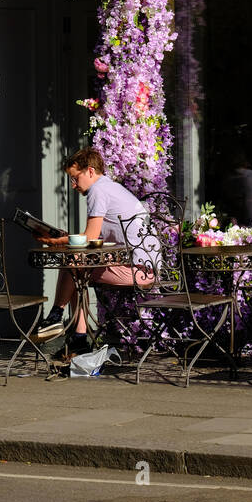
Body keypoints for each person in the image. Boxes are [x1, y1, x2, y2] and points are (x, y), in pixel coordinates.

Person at [33, 148, 155, 354]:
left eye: (75, 178)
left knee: (73, 263)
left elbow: (89, 238)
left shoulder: (98, 190)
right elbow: (95, 239)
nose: (73, 185)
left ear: (90, 171)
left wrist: (56, 241)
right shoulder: (110, 188)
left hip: (137, 270)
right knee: (75, 264)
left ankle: (57, 318)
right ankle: (76, 336)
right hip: (145, 267)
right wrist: (64, 237)